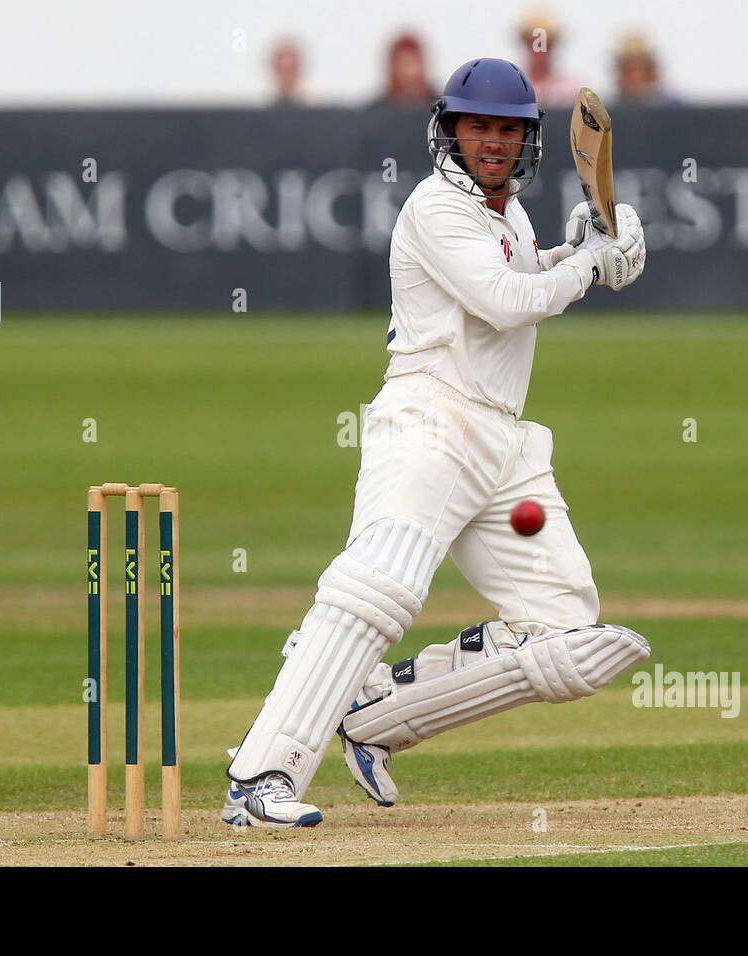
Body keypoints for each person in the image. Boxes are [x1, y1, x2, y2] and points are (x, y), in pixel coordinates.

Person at [222, 57, 649, 828]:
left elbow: (523, 276)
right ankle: (260, 778)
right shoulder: (436, 206)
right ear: (448, 131)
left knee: (565, 635)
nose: (493, 142)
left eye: (508, 130)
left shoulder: (511, 217)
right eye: (478, 127)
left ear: (528, 140)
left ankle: (377, 715)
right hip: (430, 421)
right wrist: (591, 266)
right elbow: (506, 301)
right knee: (376, 593)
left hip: (503, 444)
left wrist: (579, 251)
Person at [374, 32, 435, 107]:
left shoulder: (444, 108)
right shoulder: (373, 112)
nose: (410, 72)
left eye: (413, 63)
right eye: (404, 64)